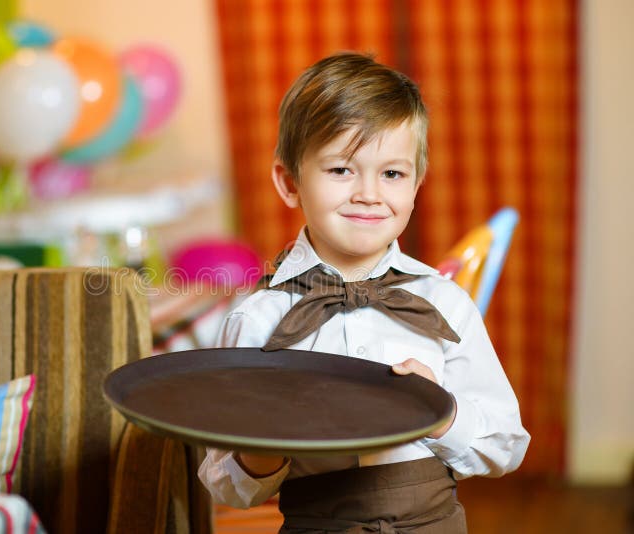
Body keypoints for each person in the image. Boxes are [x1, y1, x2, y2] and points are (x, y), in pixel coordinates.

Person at [197, 52, 530, 533]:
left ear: (416, 184)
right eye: (341, 171)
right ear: (290, 183)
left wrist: (440, 413)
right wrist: (262, 445)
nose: (369, 194)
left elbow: (506, 446)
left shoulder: (443, 303)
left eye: (392, 173)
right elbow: (222, 483)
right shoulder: (257, 319)